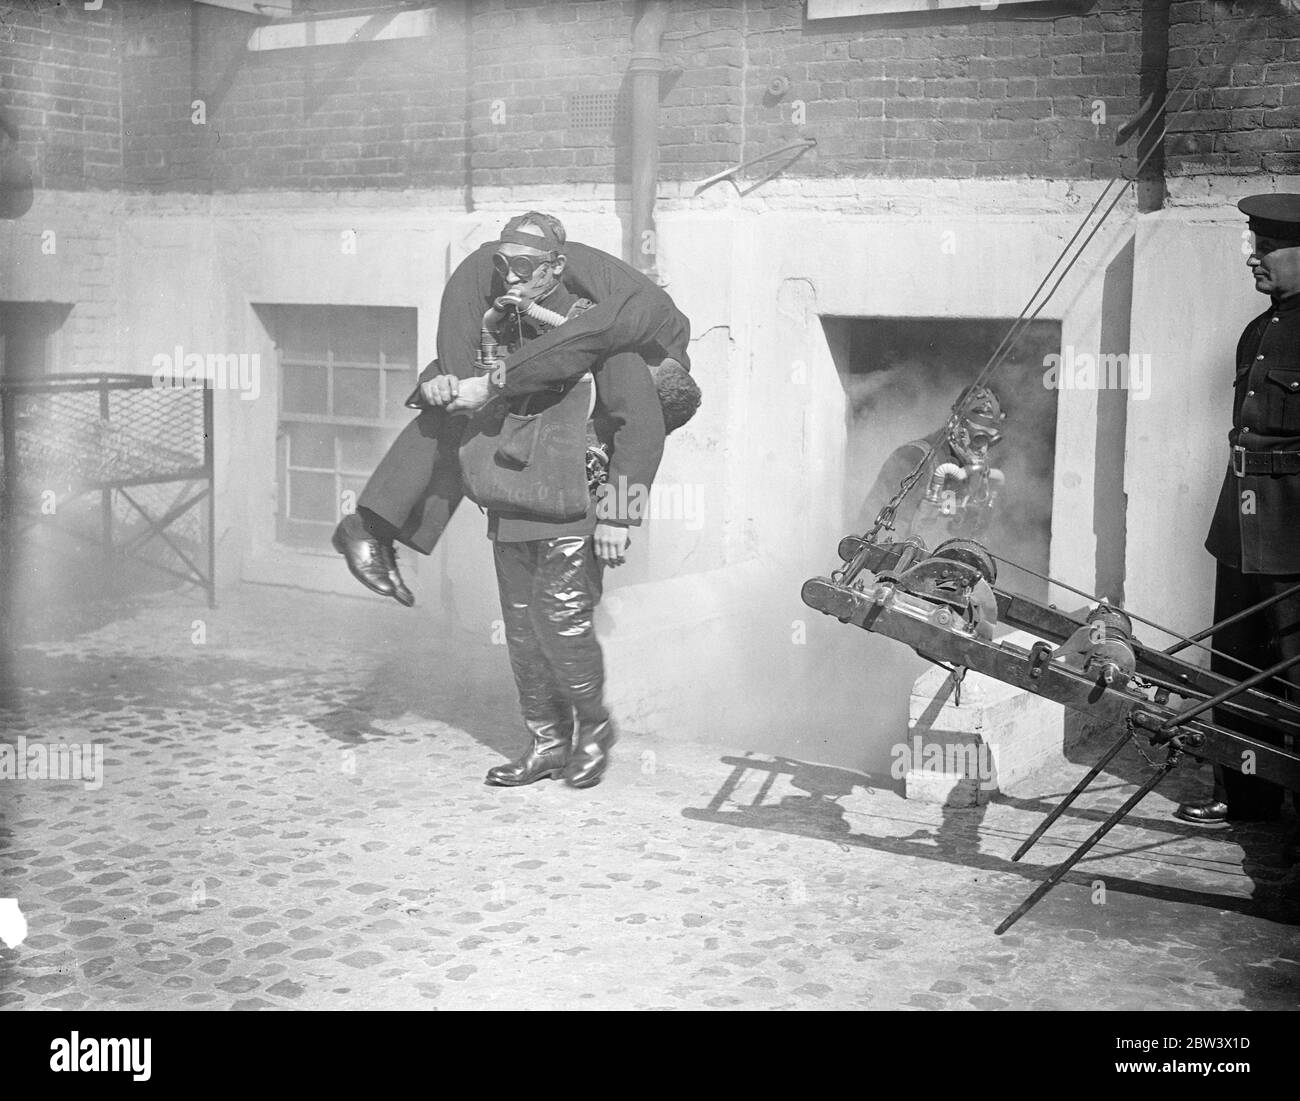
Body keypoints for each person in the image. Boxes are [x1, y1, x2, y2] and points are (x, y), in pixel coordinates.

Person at [331, 214, 696, 606]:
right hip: (480, 289)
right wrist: (619, 516)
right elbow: (634, 423)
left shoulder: (626, 335)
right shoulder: (628, 343)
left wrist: (614, 515)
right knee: (461, 401)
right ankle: (371, 526)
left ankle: (371, 525)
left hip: (556, 517)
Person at [1175, 193, 1300, 863]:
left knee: (1294, 668)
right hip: (1243, 523)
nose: (1254, 257)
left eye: (1268, 247)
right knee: (1236, 662)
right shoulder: (1256, 331)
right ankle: (1246, 792)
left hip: (1294, 530)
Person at [856, 384, 1006, 546]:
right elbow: (877, 535)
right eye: (979, 439)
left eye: (991, 442)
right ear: (957, 426)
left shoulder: (977, 475)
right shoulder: (914, 459)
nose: (984, 449)